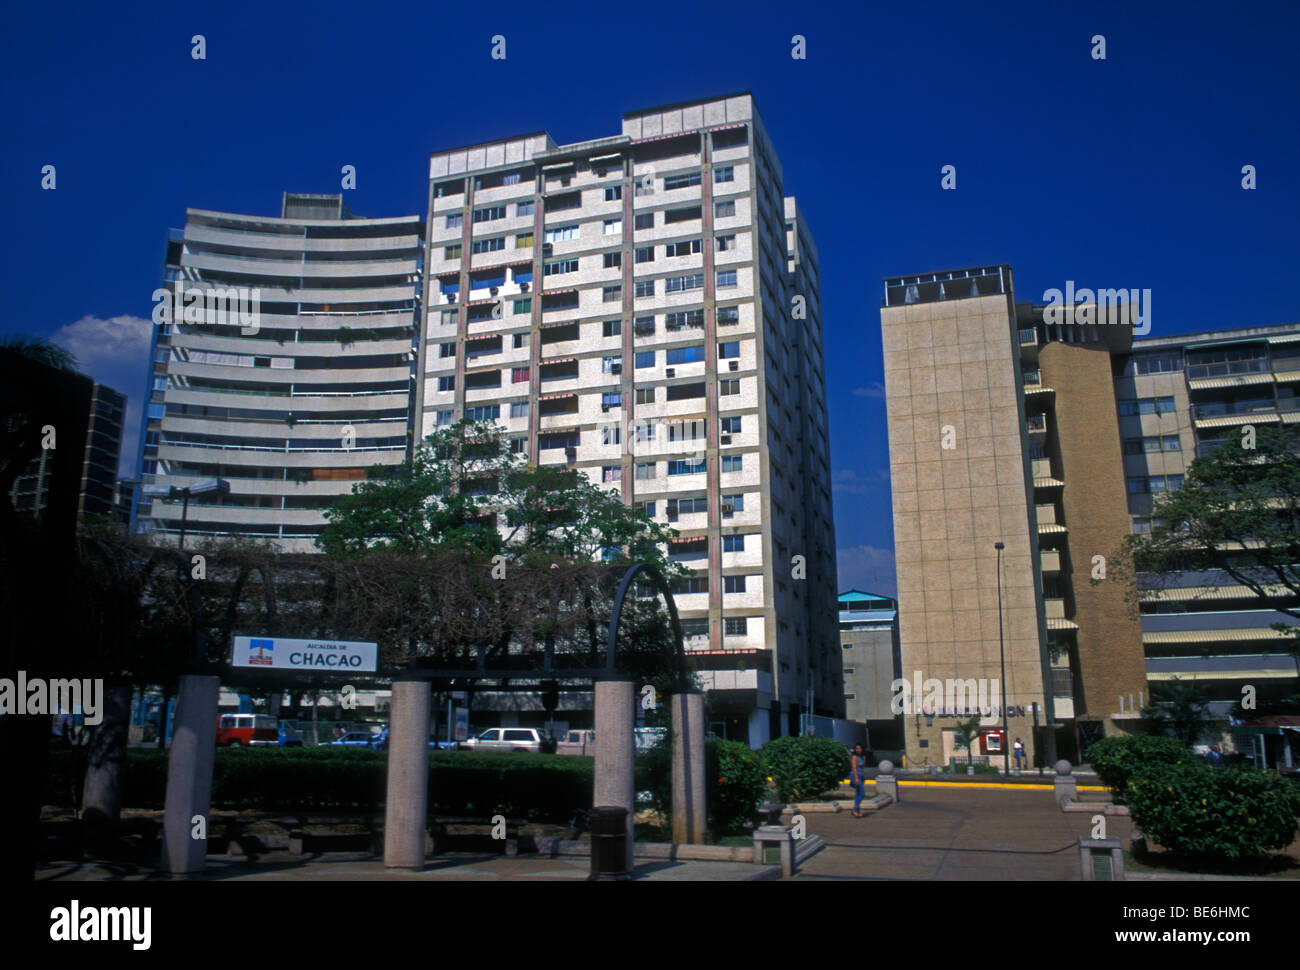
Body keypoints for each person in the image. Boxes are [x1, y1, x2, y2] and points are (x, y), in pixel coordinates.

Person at [850, 743, 869, 818]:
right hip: (855, 776)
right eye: (856, 748)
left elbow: (862, 768)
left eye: (859, 748)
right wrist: (856, 778)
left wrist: (862, 777)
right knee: (862, 793)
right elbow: (854, 768)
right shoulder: (854, 757)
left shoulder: (861, 757)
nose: (858, 750)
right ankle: (854, 809)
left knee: (858, 793)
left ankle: (857, 811)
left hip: (860, 776)